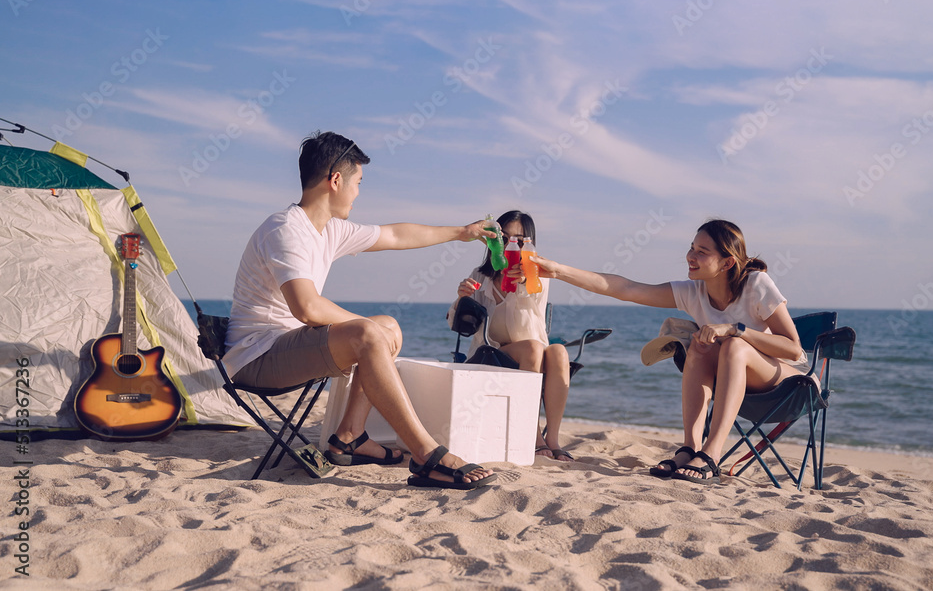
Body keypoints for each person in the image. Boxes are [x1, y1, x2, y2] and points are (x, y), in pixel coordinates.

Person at [224, 130, 498, 490]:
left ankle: (349, 435)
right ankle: (426, 454)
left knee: (388, 327)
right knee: (370, 332)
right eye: (358, 182)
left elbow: (396, 236)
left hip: (286, 345)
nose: (358, 192)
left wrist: (462, 232)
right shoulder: (286, 229)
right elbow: (306, 307)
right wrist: (367, 330)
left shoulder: (328, 230)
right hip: (257, 357)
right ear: (335, 180)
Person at [533, 219, 808, 484]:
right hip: (731, 379)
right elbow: (626, 289)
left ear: (727, 262)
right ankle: (690, 448)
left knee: (734, 345)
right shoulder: (694, 292)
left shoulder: (756, 284)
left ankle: (711, 453)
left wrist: (735, 329)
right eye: (691, 248)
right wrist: (556, 271)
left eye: (702, 252)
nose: (691, 256)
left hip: (784, 383)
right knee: (698, 347)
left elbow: (793, 349)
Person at [447, 210, 575, 461]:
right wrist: (461, 297)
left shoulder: (538, 273)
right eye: (504, 237)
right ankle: (534, 434)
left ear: (529, 242)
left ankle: (553, 439)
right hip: (489, 352)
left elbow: (534, 293)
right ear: (494, 238)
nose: (510, 243)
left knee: (558, 351)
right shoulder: (480, 275)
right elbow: (459, 324)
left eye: (519, 239)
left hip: (530, 350)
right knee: (533, 349)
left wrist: (529, 276)